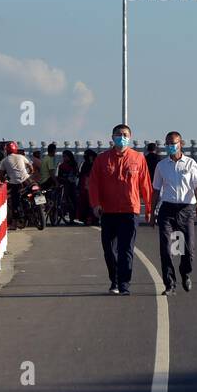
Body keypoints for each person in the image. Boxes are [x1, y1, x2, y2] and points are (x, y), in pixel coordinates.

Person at [87, 124, 153, 295]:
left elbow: (145, 184)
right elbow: (93, 183)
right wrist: (95, 204)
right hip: (107, 212)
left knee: (126, 249)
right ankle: (114, 280)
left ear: (130, 138)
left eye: (124, 134)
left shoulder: (138, 158)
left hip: (130, 211)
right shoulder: (102, 159)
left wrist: (149, 209)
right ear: (112, 137)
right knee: (109, 250)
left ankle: (123, 283)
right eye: (118, 134)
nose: (121, 137)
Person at [150, 131, 197, 295]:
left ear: (181, 144)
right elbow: (156, 190)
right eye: (167, 143)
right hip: (167, 210)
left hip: (186, 210)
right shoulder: (161, 166)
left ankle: (185, 272)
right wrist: (152, 213)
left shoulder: (190, 164)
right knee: (166, 249)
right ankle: (170, 284)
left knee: (187, 249)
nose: (170, 146)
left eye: (173, 143)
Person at [58, 149, 80, 222]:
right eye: (63, 156)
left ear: (69, 157)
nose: (64, 158)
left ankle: (72, 218)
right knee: (65, 201)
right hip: (65, 186)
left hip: (72, 185)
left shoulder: (74, 164)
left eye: (65, 156)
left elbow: (77, 174)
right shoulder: (61, 166)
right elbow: (59, 176)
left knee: (73, 201)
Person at [78, 150, 98, 225]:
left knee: (93, 203)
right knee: (85, 203)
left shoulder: (96, 163)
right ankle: (87, 219)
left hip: (93, 187)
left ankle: (94, 219)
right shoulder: (85, 164)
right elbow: (82, 175)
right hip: (85, 187)